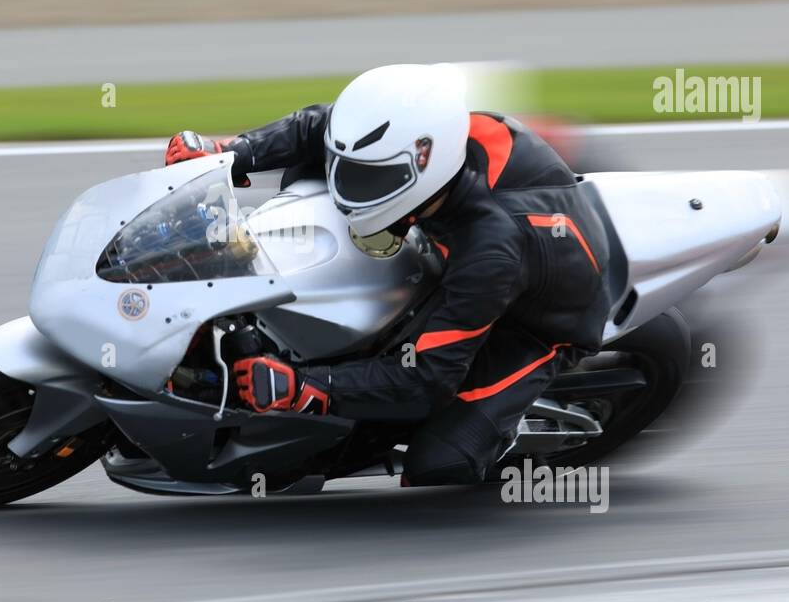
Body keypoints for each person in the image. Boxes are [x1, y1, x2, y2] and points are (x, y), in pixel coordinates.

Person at [163, 64, 613, 485]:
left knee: (439, 462)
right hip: (463, 248)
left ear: (423, 166)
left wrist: (308, 387)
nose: (346, 186)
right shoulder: (418, 138)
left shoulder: (491, 251)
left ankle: (505, 428)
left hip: (538, 319)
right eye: (347, 169)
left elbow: (427, 377)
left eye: (368, 177)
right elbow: (317, 127)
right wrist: (228, 153)